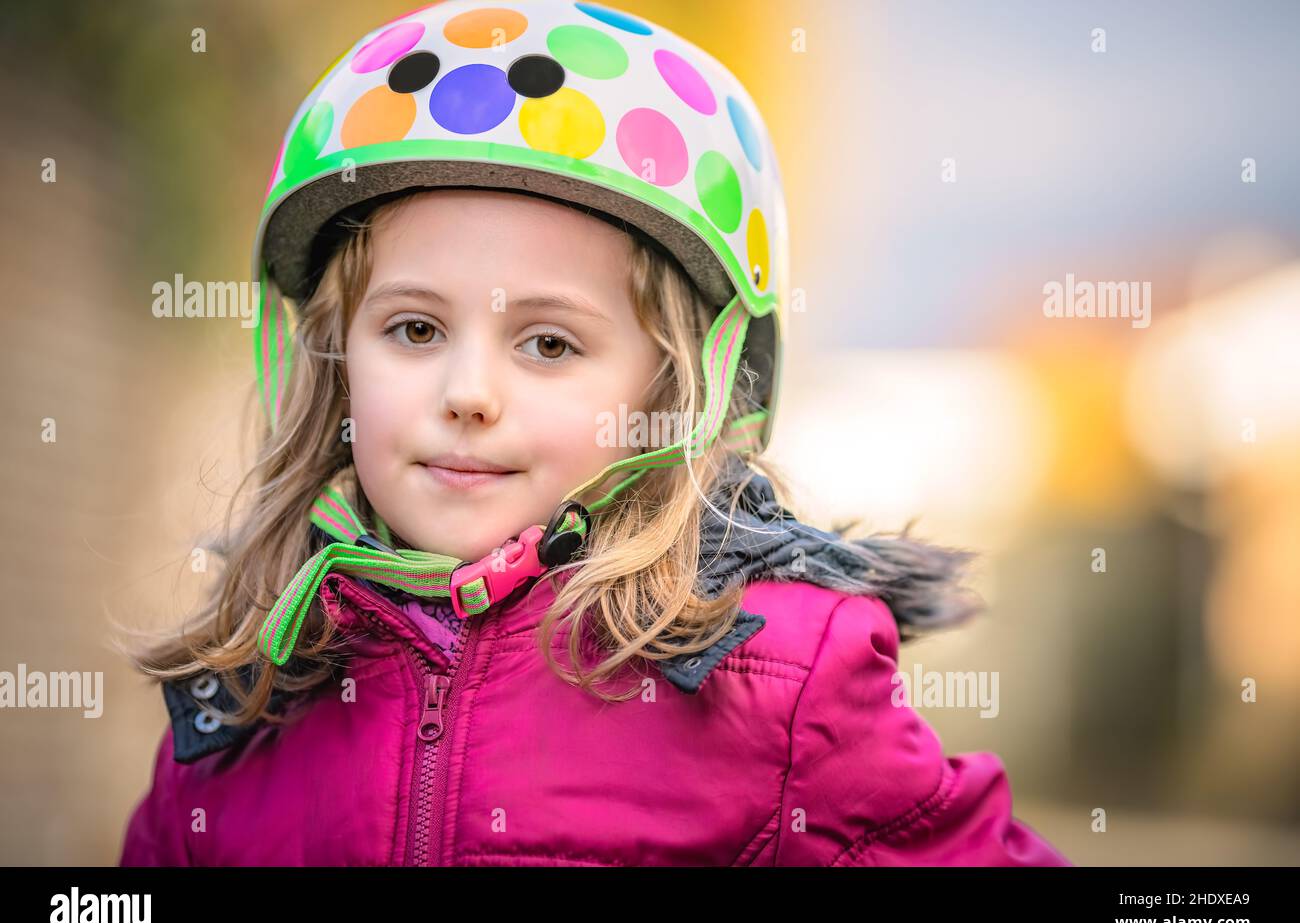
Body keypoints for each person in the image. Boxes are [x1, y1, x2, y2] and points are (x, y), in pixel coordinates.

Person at [117, 0, 1070, 866]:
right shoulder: (242, 702)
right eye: (415, 329)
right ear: (334, 361)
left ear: (677, 390)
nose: (469, 393)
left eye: (547, 342)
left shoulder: (776, 680)